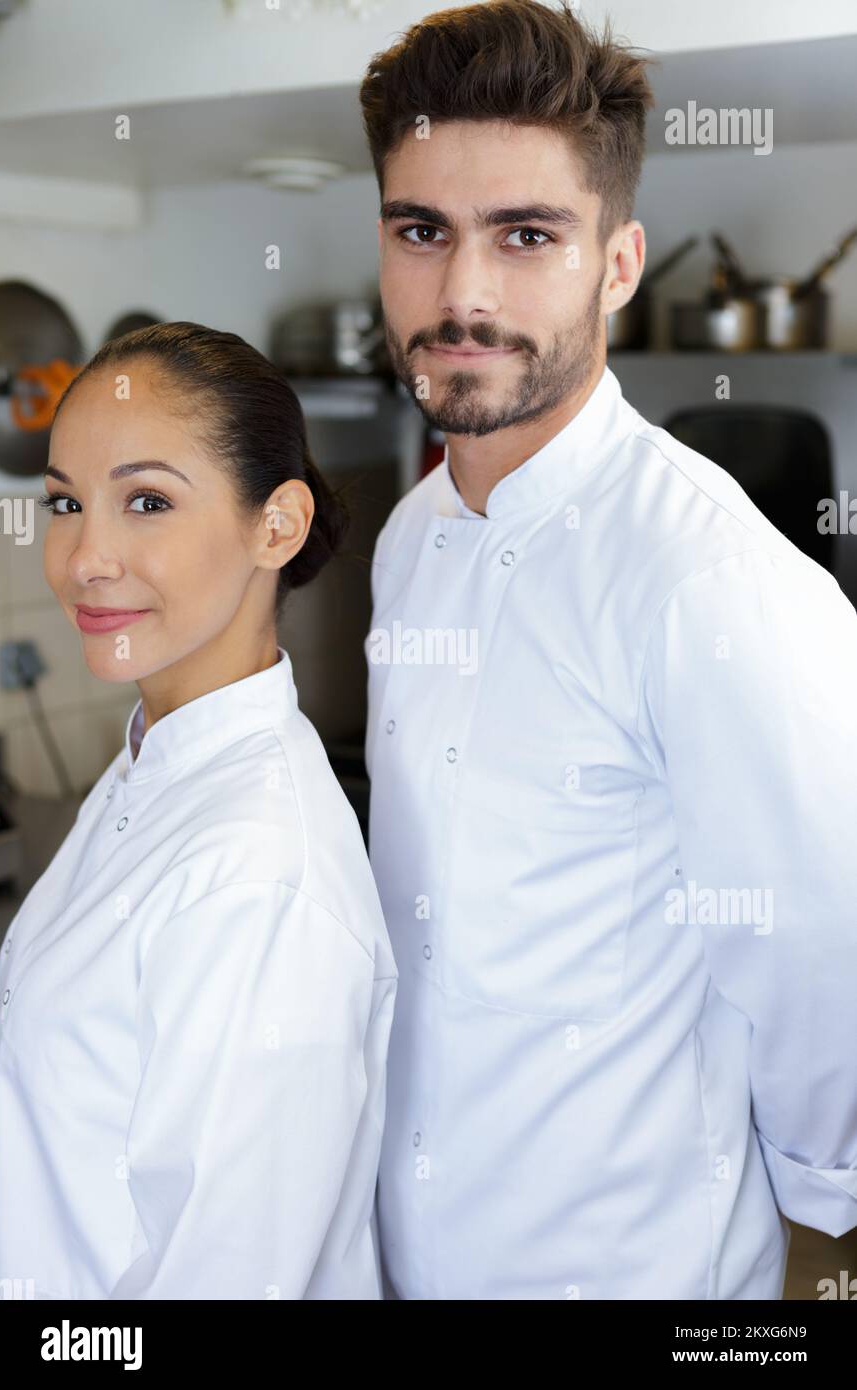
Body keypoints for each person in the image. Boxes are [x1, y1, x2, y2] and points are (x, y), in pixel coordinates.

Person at [359, 0, 857, 1299]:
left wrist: (822, 1197)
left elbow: (822, 953)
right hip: (400, 1252)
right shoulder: (409, 537)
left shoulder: (714, 583)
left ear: (618, 263)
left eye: (527, 236)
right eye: (422, 231)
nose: (462, 291)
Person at [0, 321, 398, 1299]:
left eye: (146, 501)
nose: (85, 557)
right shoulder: (152, 765)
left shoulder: (256, 875)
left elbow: (223, 1280)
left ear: (276, 525)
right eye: (65, 503)